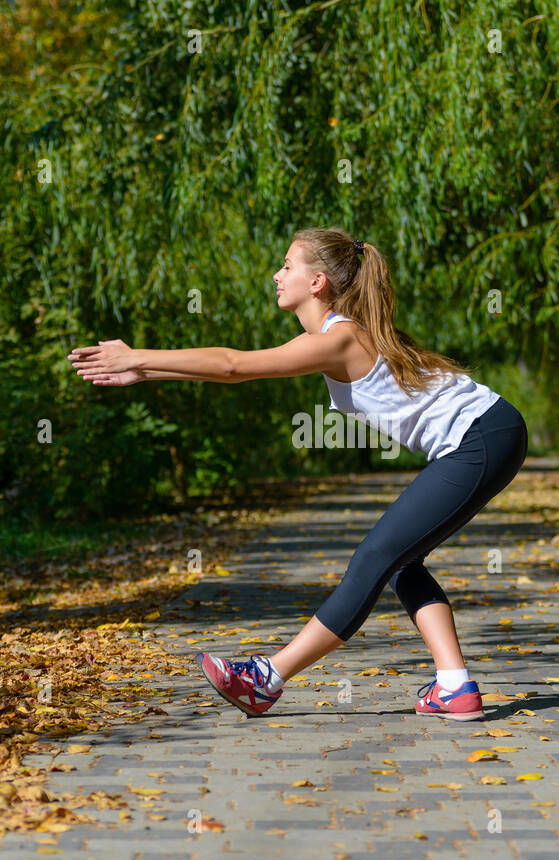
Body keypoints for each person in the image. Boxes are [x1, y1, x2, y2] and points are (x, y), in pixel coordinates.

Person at [67, 227, 528, 722]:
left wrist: (138, 355)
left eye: (287, 265)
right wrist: (145, 373)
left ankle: (266, 678)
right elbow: (233, 369)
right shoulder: (336, 333)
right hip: (487, 435)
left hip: (479, 436)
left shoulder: (342, 337)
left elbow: (233, 366)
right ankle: (454, 687)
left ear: (317, 282)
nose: (276, 274)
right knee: (399, 562)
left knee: (375, 556)